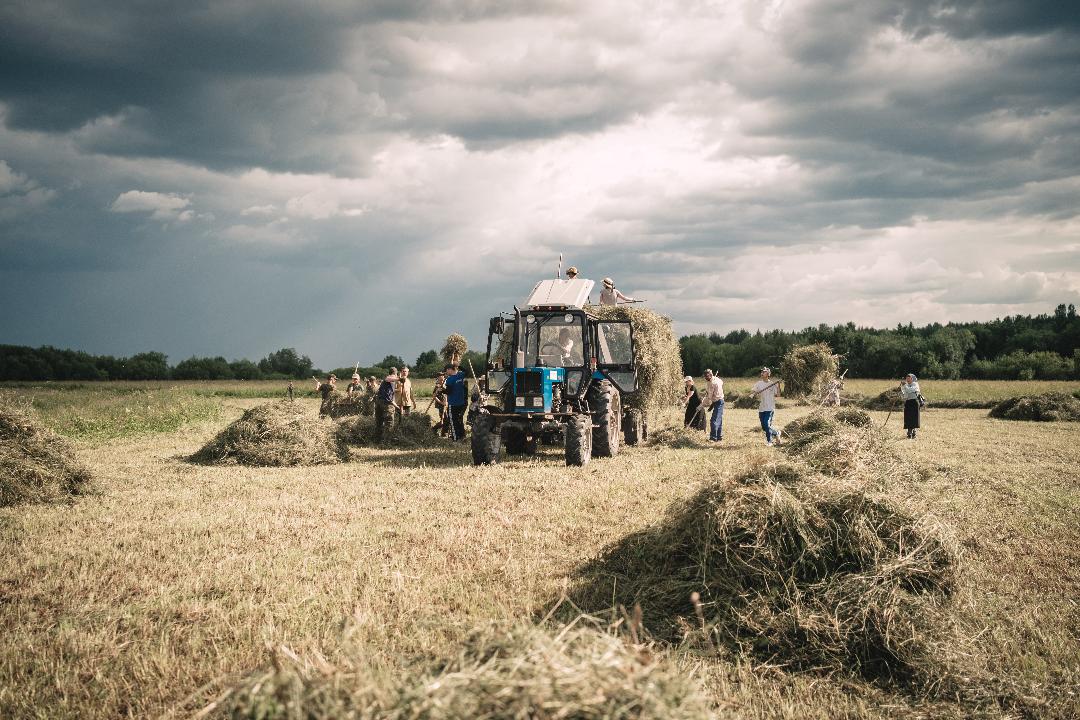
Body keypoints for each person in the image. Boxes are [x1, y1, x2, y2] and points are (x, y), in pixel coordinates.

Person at [751, 367, 782, 446]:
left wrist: (778, 386)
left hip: (770, 407)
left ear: (768, 374)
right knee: (764, 427)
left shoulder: (772, 384)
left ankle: (769, 441)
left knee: (767, 424)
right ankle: (777, 433)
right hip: (762, 407)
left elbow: (778, 395)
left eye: (763, 372)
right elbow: (753, 391)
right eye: (761, 372)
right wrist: (754, 393)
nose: (762, 373)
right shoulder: (758, 383)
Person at [444, 362, 468, 441]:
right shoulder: (460, 375)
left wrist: (441, 391)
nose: (446, 372)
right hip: (461, 403)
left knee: (453, 422)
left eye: (446, 370)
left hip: (453, 404)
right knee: (459, 420)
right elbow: (467, 371)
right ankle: (462, 436)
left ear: (450, 369)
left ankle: (455, 438)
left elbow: (449, 392)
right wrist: (459, 365)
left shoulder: (449, 379)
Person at [374, 368, 399, 437]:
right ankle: (387, 441)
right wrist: (399, 379)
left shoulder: (389, 384)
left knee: (379, 422)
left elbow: (389, 397)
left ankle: (377, 439)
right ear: (395, 374)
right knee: (389, 422)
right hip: (384, 404)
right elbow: (388, 378)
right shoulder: (389, 379)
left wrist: (396, 405)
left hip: (380, 403)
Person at [703, 369, 725, 441]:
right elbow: (722, 382)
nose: (705, 378)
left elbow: (709, 397)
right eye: (705, 376)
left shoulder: (713, 383)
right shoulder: (717, 379)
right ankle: (719, 436)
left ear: (710, 375)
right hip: (716, 401)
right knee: (719, 419)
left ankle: (713, 438)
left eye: (706, 376)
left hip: (719, 402)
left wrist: (701, 405)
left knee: (714, 420)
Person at [900, 373, 922, 439]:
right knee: (908, 417)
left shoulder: (915, 384)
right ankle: (909, 432)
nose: (908, 380)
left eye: (909, 378)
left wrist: (904, 386)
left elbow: (910, 390)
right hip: (908, 402)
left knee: (914, 417)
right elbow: (905, 394)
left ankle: (914, 432)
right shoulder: (905, 385)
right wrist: (902, 389)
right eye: (907, 378)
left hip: (914, 402)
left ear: (912, 379)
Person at [432, 371, 450, 436]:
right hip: (441, 405)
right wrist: (441, 402)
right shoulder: (437, 386)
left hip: (446, 404)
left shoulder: (445, 384)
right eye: (440, 376)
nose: (442, 377)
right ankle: (434, 429)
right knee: (444, 420)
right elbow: (434, 396)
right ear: (438, 377)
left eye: (442, 376)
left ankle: (444, 432)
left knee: (447, 419)